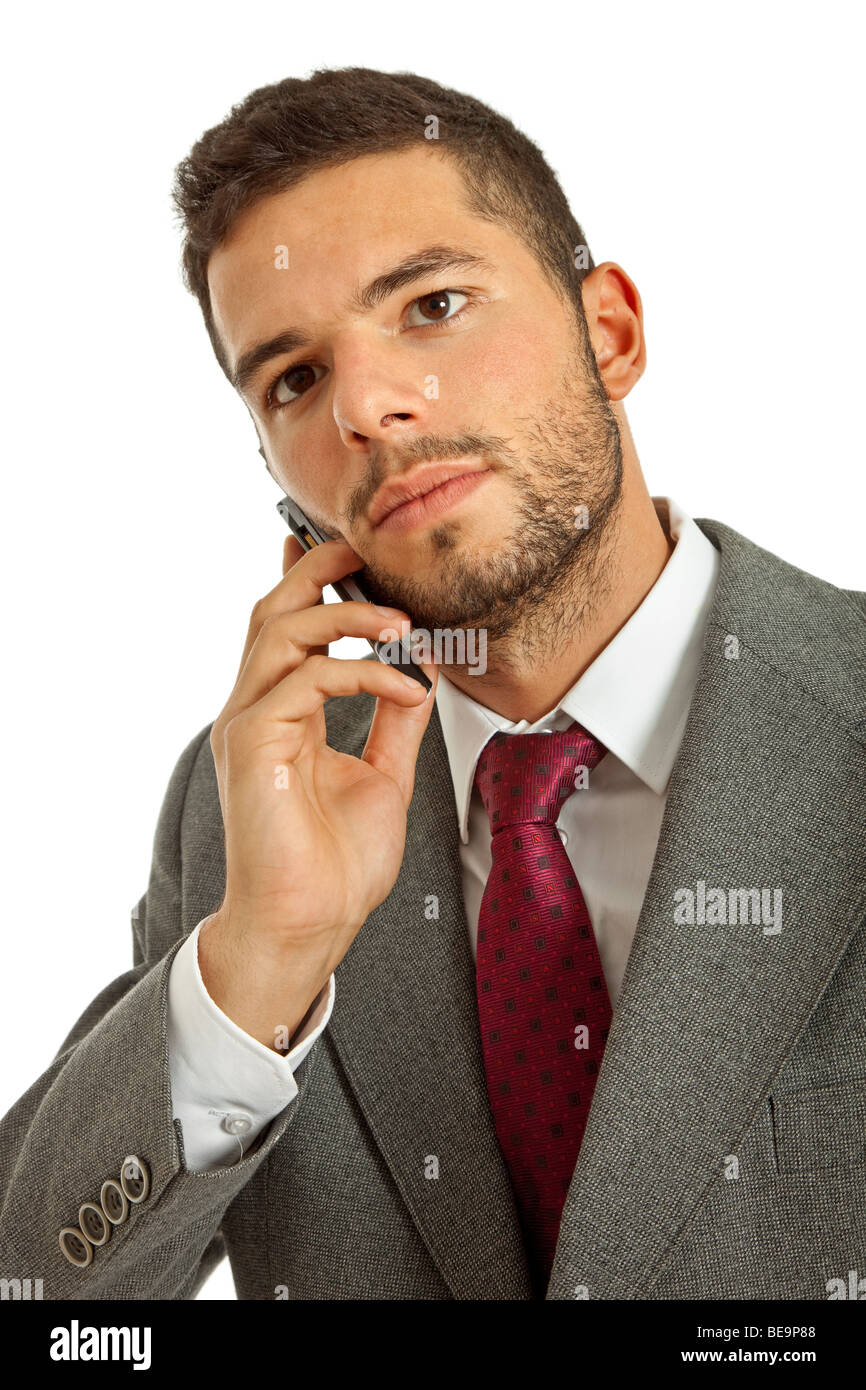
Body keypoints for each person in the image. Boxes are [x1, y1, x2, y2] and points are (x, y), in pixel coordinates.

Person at [1, 67, 864, 1302]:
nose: (365, 405)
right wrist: (256, 965)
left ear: (607, 334)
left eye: (433, 303)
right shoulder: (247, 799)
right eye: (293, 379)